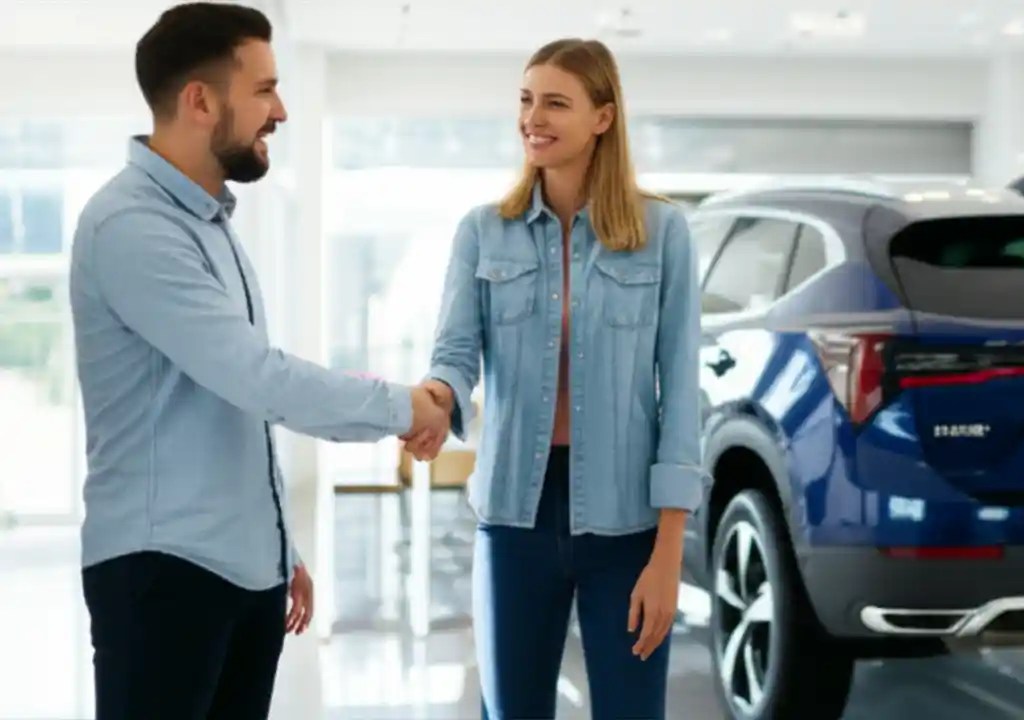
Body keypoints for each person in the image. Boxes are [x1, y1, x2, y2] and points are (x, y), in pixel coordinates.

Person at [70, 4, 449, 719]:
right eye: (265, 90)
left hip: (235, 574)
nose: (280, 111)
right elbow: (259, 378)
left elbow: (230, 407)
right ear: (200, 101)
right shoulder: (132, 225)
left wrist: (277, 547)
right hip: (163, 574)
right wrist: (404, 407)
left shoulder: (209, 224)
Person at [402, 38, 705, 720]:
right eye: (526, 99)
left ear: (603, 117)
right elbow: (455, 352)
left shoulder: (663, 232)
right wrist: (437, 399)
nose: (533, 118)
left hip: (628, 524)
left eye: (556, 103)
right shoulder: (483, 231)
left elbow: (682, 394)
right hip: (515, 518)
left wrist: (667, 555)